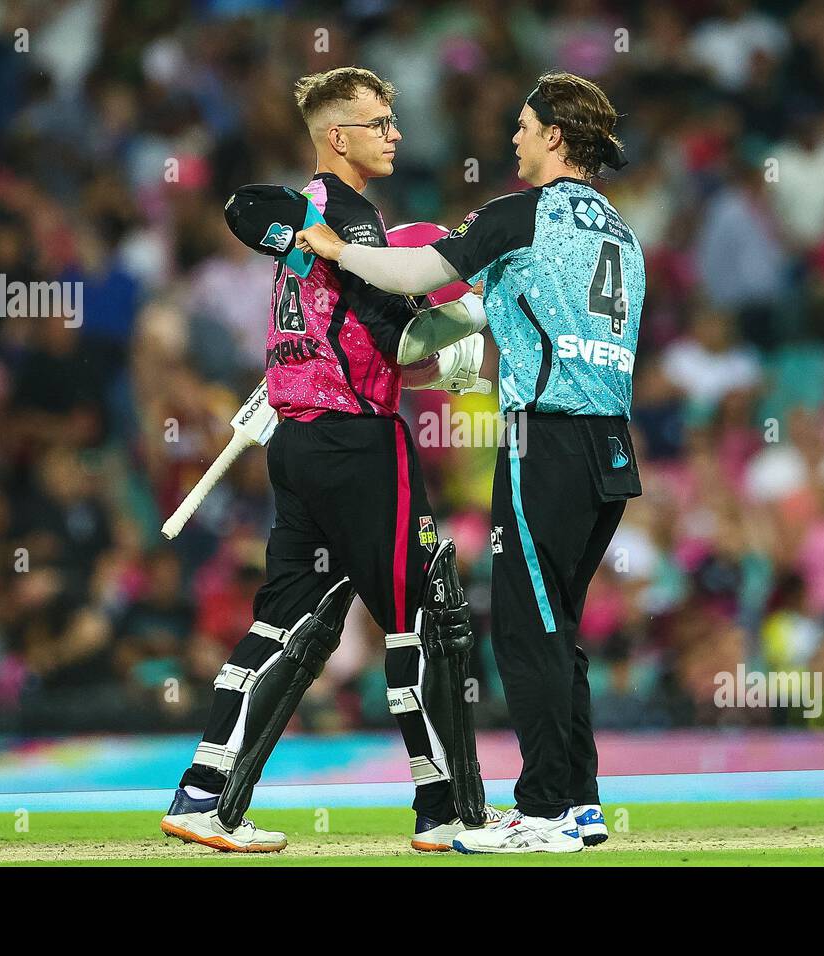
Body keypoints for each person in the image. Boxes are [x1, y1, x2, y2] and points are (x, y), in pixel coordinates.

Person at [297, 71, 645, 853]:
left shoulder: (521, 214)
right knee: (556, 627)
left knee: (524, 629)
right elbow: (500, 310)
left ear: (555, 134)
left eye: (524, 126)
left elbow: (419, 274)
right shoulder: (618, 228)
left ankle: (546, 809)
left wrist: (333, 246)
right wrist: (462, 331)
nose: (514, 138)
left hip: (545, 438)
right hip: (611, 446)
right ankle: (581, 804)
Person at [161, 67, 496, 854]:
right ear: (338, 136)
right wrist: (467, 329)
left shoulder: (307, 224)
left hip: (299, 443)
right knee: (429, 616)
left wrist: (433, 353)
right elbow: (395, 341)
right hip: (359, 443)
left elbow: (347, 339)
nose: (396, 134)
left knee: (287, 624)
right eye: (380, 122)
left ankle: (204, 797)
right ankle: (449, 812)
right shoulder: (349, 223)